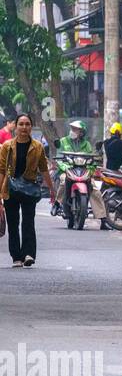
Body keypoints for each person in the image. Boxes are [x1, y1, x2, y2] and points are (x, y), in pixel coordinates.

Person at [0, 114, 56, 267]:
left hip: (29, 188)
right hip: (10, 189)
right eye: (21, 124)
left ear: (31, 126)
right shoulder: (7, 146)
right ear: (16, 127)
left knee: (28, 222)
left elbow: (44, 169)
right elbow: (2, 171)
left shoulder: (37, 146)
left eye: (27, 124)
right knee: (13, 223)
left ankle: (29, 254)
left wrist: (51, 189)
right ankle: (16, 257)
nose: (24, 127)